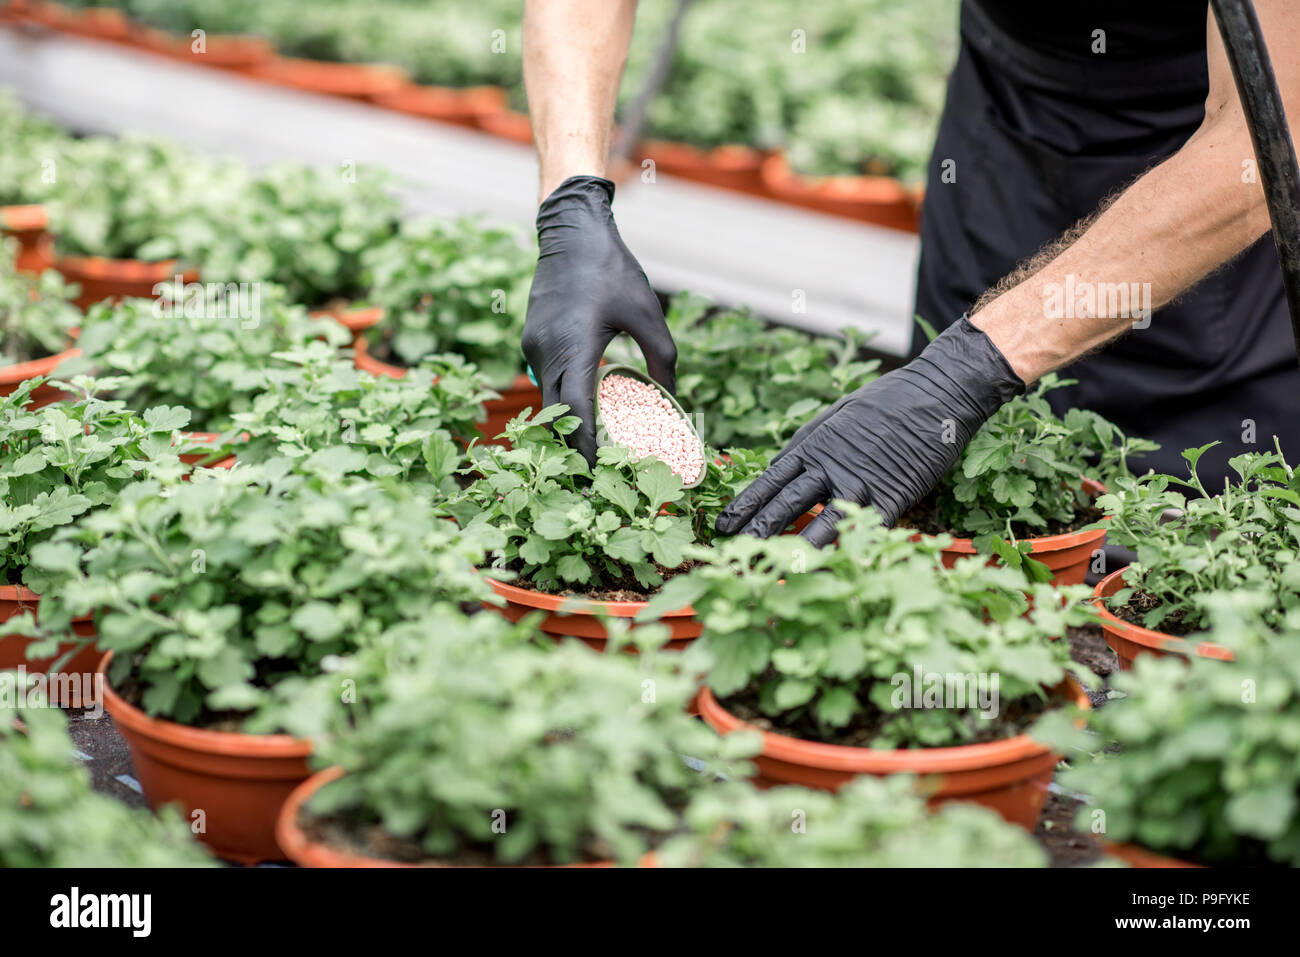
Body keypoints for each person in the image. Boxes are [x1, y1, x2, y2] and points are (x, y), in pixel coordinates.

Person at [520, 0, 1300, 546]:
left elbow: (1270, 132)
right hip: (1003, 124)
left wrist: (973, 365)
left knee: (1171, 568)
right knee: (941, 517)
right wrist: (572, 200)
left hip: (1205, 212)